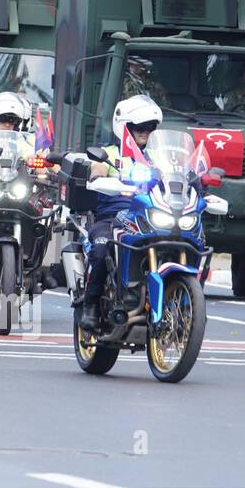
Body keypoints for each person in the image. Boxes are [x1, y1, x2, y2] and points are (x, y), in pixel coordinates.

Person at [79, 95, 163, 330]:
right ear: (124, 126)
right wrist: (96, 176)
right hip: (111, 218)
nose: (145, 131)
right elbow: (95, 169)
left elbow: (178, 177)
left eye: (150, 127)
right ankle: (91, 305)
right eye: (139, 126)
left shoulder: (157, 158)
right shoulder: (110, 154)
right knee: (103, 247)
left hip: (147, 218)